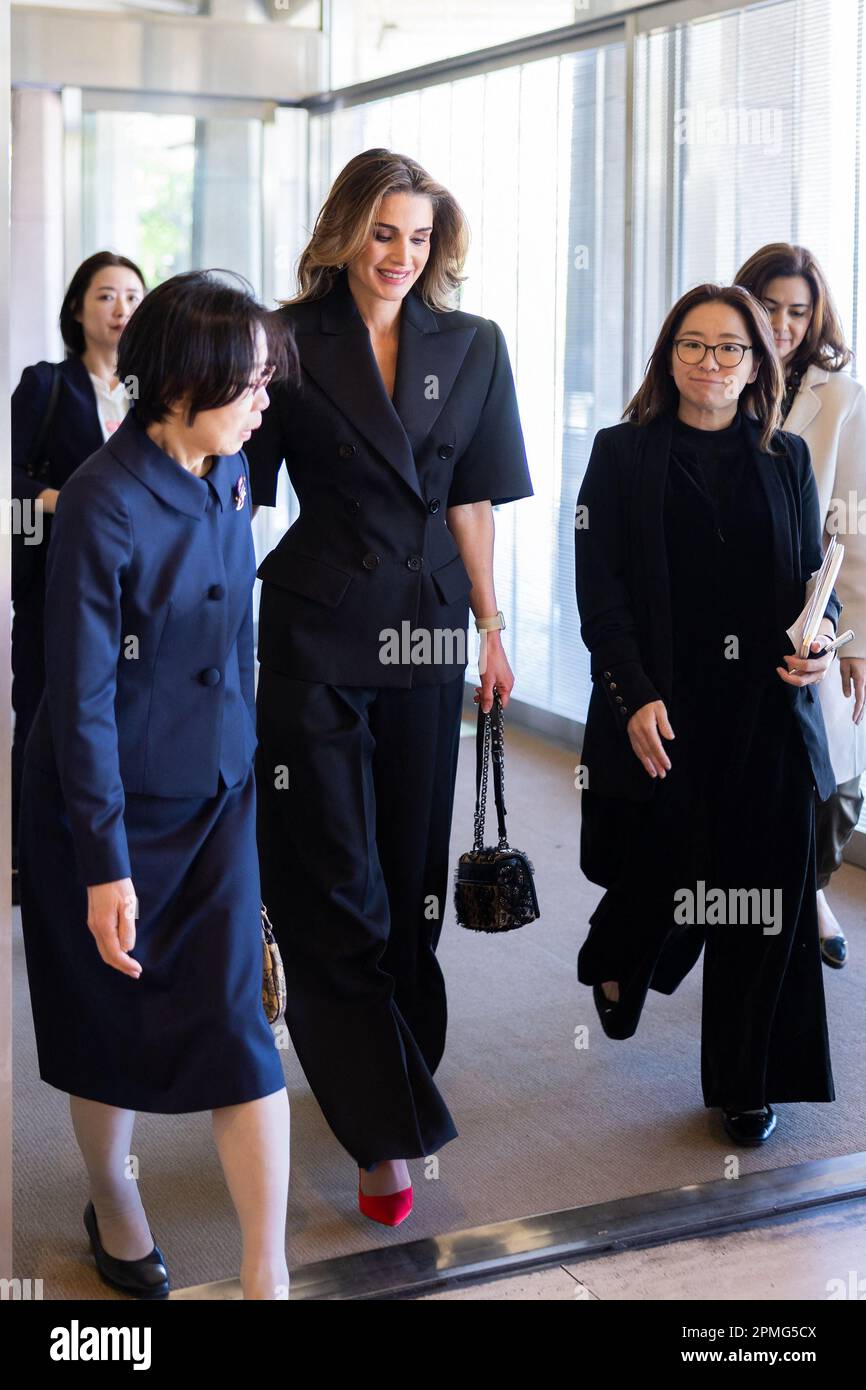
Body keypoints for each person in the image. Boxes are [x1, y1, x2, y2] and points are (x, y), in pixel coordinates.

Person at [244, 147, 533, 1225]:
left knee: (411, 884)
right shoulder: (285, 339)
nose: (399, 256)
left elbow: (470, 500)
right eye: (381, 233)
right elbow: (241, 485)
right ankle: (384, 1138)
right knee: (334, 879)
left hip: (427, 634)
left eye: (417, 238)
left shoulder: (472, 345)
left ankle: (394, 1072)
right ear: (343, 233)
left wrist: (493, 626)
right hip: (317, 630)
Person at [18, 270, 295, 1299]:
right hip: (104, 806)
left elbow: (236, 638)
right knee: (110, 1020)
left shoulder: (227, 469)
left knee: (238, 1020)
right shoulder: (101, 498)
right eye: (253, 385)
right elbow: (79, 695)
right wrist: (103, 866)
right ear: (184, 381)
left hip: (215, 795)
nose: (265, 403)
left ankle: (268, 1274)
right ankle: (114, 1195)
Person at [574, 283, 838, 1146]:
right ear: (668, 354)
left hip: (768, 706)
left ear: (760, 361)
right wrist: (632, 695)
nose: (711, 363)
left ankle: (746, 1083)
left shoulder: (786, 457)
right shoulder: (622, 455)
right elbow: (600, 592)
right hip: (669, 704)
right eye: (693, 344)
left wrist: (826, 635)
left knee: (763, 892)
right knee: (669, 863)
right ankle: (618, 956)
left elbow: (812, 582)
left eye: (731, 347)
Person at [735, 243, 866, 969]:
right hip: (729, 608)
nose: (783, 325)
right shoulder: (721, 368)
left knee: (832, 780)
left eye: (799, 311)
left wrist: (855, 638)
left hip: (812, 609)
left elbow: (854, 517)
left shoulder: (837, 396)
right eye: (771, 307)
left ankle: (811, 891)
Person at [11, 252, 146, 902]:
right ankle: (29, 860)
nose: (121, 309)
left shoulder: (158, 391)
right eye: (105, 296)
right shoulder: (46, 385)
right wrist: (66, 500)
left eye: (131, 296)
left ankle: (109, 856)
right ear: (77, 309)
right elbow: (8, 477)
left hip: (139, 584)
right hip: (58, 577)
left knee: (116, 714)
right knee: (41, 708)